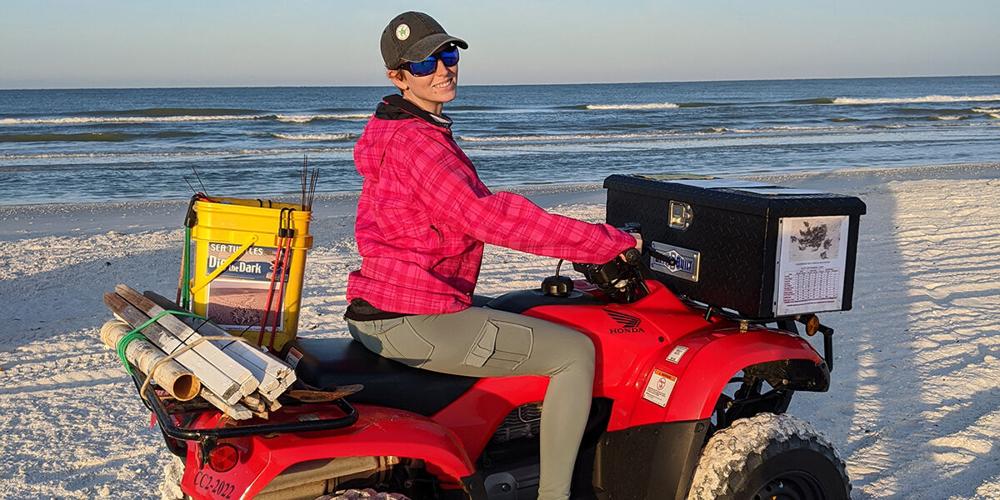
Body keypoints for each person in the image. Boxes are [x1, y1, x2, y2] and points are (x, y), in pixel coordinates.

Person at [344, 11, 638, 500]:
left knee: (515, 308)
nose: (443, 69)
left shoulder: (397, 129)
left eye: (448, 54)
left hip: (394, 296)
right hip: (414, 312)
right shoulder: (418, 143)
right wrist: (608, 242)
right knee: (574, 353)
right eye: (424, 64)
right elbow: (487, 218)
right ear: (396, 76)